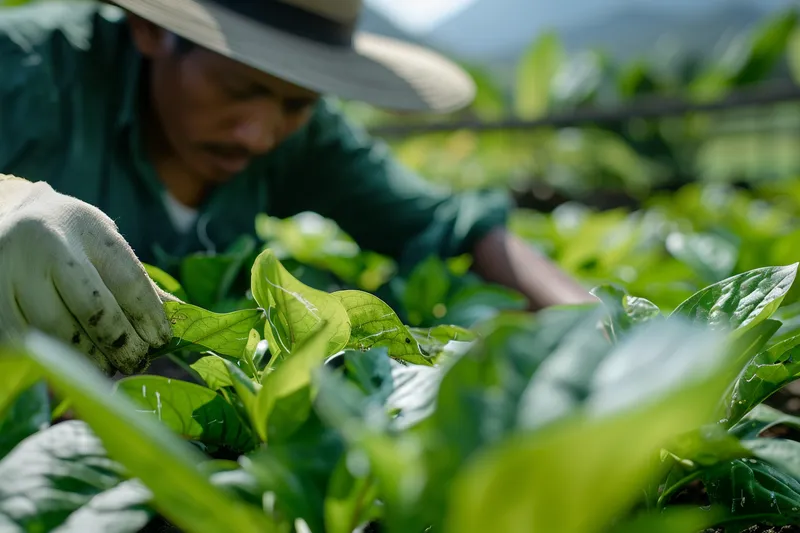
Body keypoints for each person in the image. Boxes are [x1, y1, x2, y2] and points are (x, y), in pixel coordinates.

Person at [0, 0, 595, 377]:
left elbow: (445, 223)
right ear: (152, 29)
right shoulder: (25, 72)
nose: (260, 135)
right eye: (237, 89)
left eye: (296, 104)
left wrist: (603, 338)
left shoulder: (307, 138)